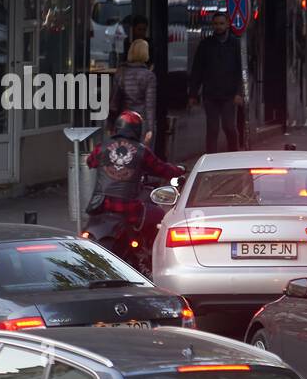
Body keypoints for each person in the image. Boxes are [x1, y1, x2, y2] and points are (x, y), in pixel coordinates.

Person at [85, 110, 184, 233]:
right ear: (137, 130)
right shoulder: (141, 151)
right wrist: (179, 170)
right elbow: (162, 169)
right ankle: (150, 250)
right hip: (128, 206)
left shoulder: (102, 147)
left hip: (101, 204)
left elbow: (90, 162)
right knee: (158, 214)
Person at [188, 12, 244, 154]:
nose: (218, 27)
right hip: (210, 94)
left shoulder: (235, 44)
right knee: (212, 128)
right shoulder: (206, 45)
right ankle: (211, 159)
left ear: (227, 24)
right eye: (216, 24)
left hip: (229, 95)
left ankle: (234, 153)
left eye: (221, 23)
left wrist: (239, 92)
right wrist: (193, 94)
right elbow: (197, 70)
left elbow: (241, 70)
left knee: (229, 126)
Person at [111, 39, 157, 143]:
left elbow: (114, 102)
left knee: (124, 155)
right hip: (141, 123)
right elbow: (150, 105)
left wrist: (110, 124)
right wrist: (150, 129)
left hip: (123, 122)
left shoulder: (120, 73)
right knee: (141, 155)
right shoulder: (149, 76)